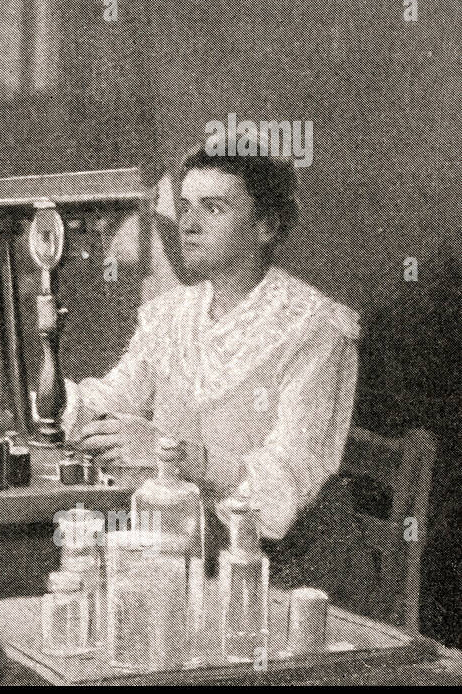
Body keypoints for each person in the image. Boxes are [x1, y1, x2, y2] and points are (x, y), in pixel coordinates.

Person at [69, 140, 360, 581]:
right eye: (185, 206)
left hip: (283, 571)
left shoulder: (315, 329)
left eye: (213, 208)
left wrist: (173, 455)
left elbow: (284, 483)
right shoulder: (172, 314)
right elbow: (109, 400)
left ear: (266, 226)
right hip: (182, 550)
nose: (188, 225)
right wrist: (14, 407)